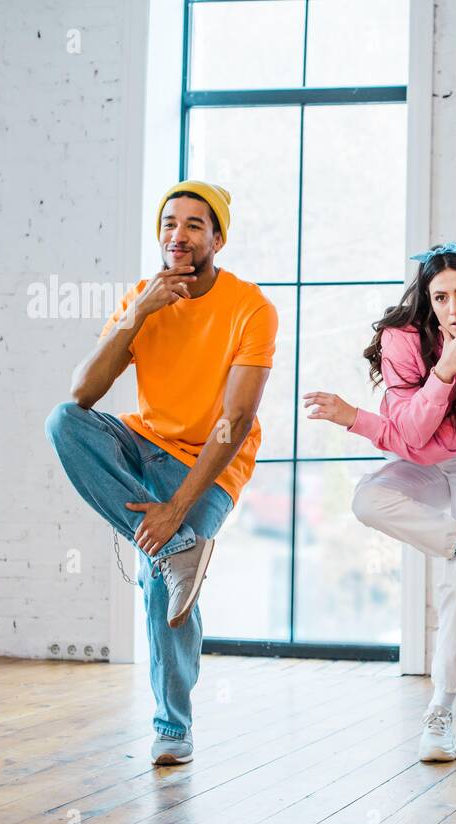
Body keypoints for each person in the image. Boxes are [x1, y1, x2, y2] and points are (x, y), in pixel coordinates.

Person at [45, 179, 276, 766]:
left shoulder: (250, 307)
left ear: (217, 239)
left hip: (211, 467)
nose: (179, 235)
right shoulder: (143, 300)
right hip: (145, 444)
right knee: (63, 422)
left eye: (195, 224)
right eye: (170, 223)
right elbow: (82, 393)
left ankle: (173, 727)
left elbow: (235, 421)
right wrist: (139, 312)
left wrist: (175, 511)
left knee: (159, 579)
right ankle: (178, 553)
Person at [303, 241, 456, 763]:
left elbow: (424, 438)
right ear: (428, 301)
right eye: (441, 297)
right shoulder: (402, 339)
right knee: (369, 499)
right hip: (422, 461)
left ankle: (441, 710)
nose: (453, 308)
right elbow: (414, 441)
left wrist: (360, 418)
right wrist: (442, 373)